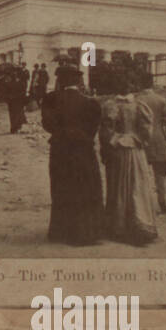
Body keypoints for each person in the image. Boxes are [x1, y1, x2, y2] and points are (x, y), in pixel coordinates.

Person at [41, 66, 104, 246]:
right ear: (78, 81)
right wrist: (81, 136)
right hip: (83, 149)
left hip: (60, 149)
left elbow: (47, 124)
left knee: (61, 186)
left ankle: (61, 231)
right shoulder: (91, 102)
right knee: (85, 187)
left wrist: (62, 133)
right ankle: (85, 232)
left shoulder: (51, 99)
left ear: (60, 80)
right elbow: (93, 128)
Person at [99, 92, 158, 245]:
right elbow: (146, 131)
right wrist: (139, 140)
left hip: (117, 148)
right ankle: (138, 223)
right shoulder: (139, 105)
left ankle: (119, 226)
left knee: (118, 184)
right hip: (135, 150)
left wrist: (108, 146)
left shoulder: (111, 105)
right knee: (137, 184)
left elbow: (106, 131)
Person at [136, 77, 166, 213]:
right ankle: (162, 202)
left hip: (142, 140)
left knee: (141, 174)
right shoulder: (161, 100)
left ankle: (144, 205)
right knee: (160, 174)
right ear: (152, 84)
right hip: (158, 140)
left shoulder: (137, 100)